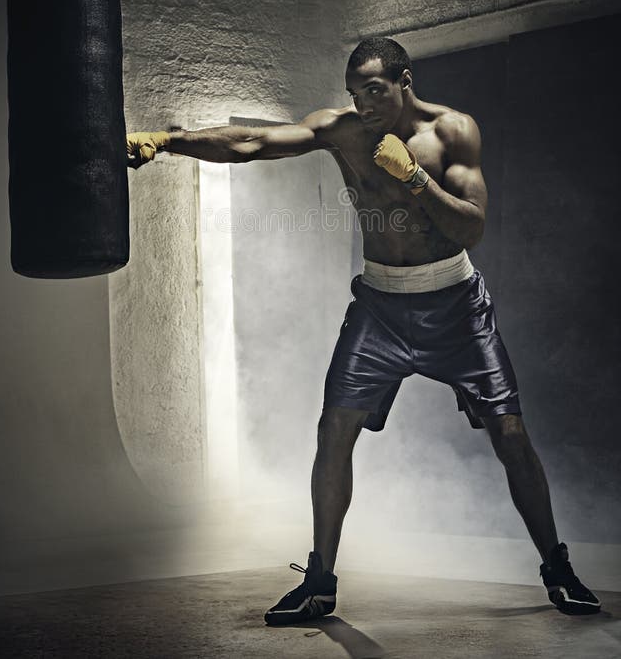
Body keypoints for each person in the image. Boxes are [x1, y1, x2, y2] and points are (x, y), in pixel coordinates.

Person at [126, 36, 601, 620]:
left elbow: (472, 230)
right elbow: (252, 142)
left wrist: (417, 181)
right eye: (355, 94)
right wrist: (167, 141)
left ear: (405, 80)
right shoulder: (348, 132)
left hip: (456, 305)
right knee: (333, 430)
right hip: (381, 307)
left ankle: (557, 567)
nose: (365, 105)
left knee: (509, 434)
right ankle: (320, 582)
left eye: (374, 91)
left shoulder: (454, 132)